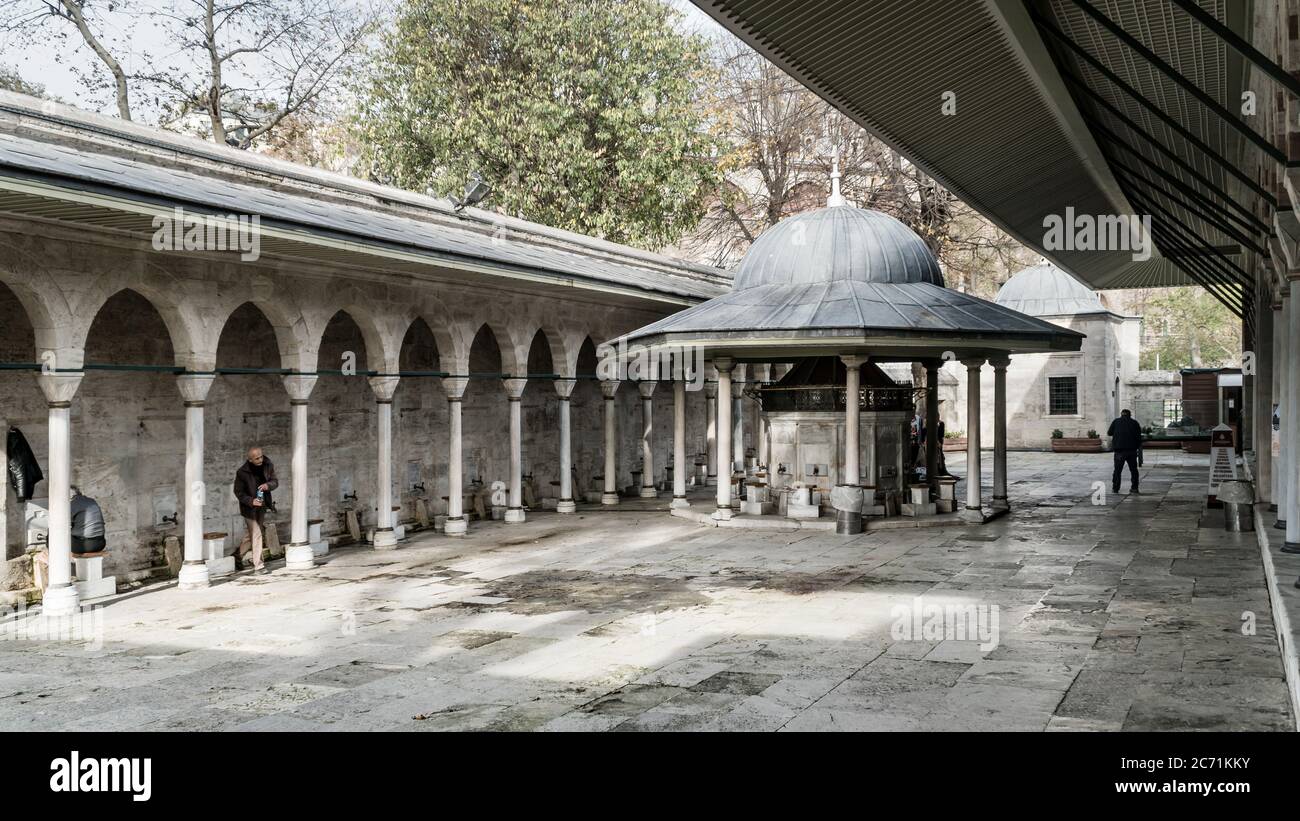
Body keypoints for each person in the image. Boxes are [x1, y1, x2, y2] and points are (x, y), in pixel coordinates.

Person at [233, 446, 278, 573]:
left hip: (262, 505)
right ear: (250, 460)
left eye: (261, 456)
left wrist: (267, 485)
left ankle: (237, 556)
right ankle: (258, 565)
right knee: (257, 533)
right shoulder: (242, 472)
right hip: (249, 508)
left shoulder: (268, 464)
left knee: (251, 535)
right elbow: (238, 492)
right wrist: (251, 501)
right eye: (257, 458)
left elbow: (275, 481)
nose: (260, 460)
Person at [1108, 408, 1143, 495]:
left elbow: (1109, 433)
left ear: (1121, 414)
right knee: (1133, 470)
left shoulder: (1116, 421)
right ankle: (1134, 488)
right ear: (1130, 415)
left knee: (1117, 470)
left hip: (1119, 451)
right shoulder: (1134, 423)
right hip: (1131, 451)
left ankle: (1115, 488)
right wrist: (1137, 447)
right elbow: (1139, 437)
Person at [69, 486, 105, 554]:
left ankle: (52, 558)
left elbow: (62, 522)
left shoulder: (72, 503)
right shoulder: (92, 500)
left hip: (84, 546)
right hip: (101, 544)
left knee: (54, 532)